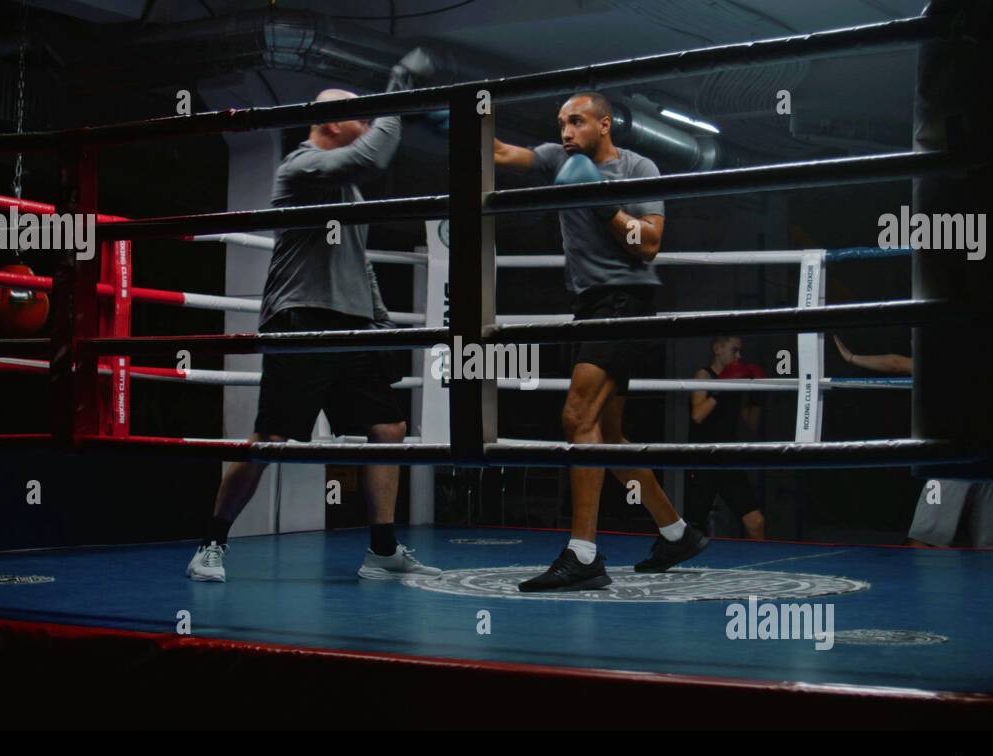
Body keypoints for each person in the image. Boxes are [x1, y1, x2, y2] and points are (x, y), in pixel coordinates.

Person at [188, 52, 444, 583]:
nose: (370, 124)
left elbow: (358, 261)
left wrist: (379, 321)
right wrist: (395, 86)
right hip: (300, 319)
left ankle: (381, 550)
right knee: (272, 438)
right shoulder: (303, 166)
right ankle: (212, 542)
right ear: (331, 123)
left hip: (352, 324)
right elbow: (373, 157)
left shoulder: (346, 188)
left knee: (389, 428)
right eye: (362, 115)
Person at [493, 91, 706, 592]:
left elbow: (648, 246)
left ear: (604, 125)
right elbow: (502, 153)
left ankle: (582, 554)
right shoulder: (559, 158)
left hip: (626, 303)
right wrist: (461, 121)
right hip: (590, 307)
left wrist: (602, 202)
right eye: (561, 123)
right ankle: (676, 533)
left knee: (576, 417)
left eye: (577, 122)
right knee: (607, 436)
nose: (566, 132)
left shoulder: (638, 168)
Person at [833, 334, 993, 548]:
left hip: (953, 460)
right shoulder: (982, 360)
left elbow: (895, 363)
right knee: (992, 541)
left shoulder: (942, 362)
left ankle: (929, 581)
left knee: (924, 535)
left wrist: (852, 357)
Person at [687, 335, 766, 540]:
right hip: (702, 461)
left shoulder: (737, 378)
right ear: (717, 348)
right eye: (734, 350)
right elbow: (698, 415)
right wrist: (722, 387)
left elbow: (751, 423)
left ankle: (763, 569)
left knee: (756, 522)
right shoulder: (703, 375)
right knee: (695, 530)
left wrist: (758, 398)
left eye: (741, 351)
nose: (738, 356)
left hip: (727, 460)